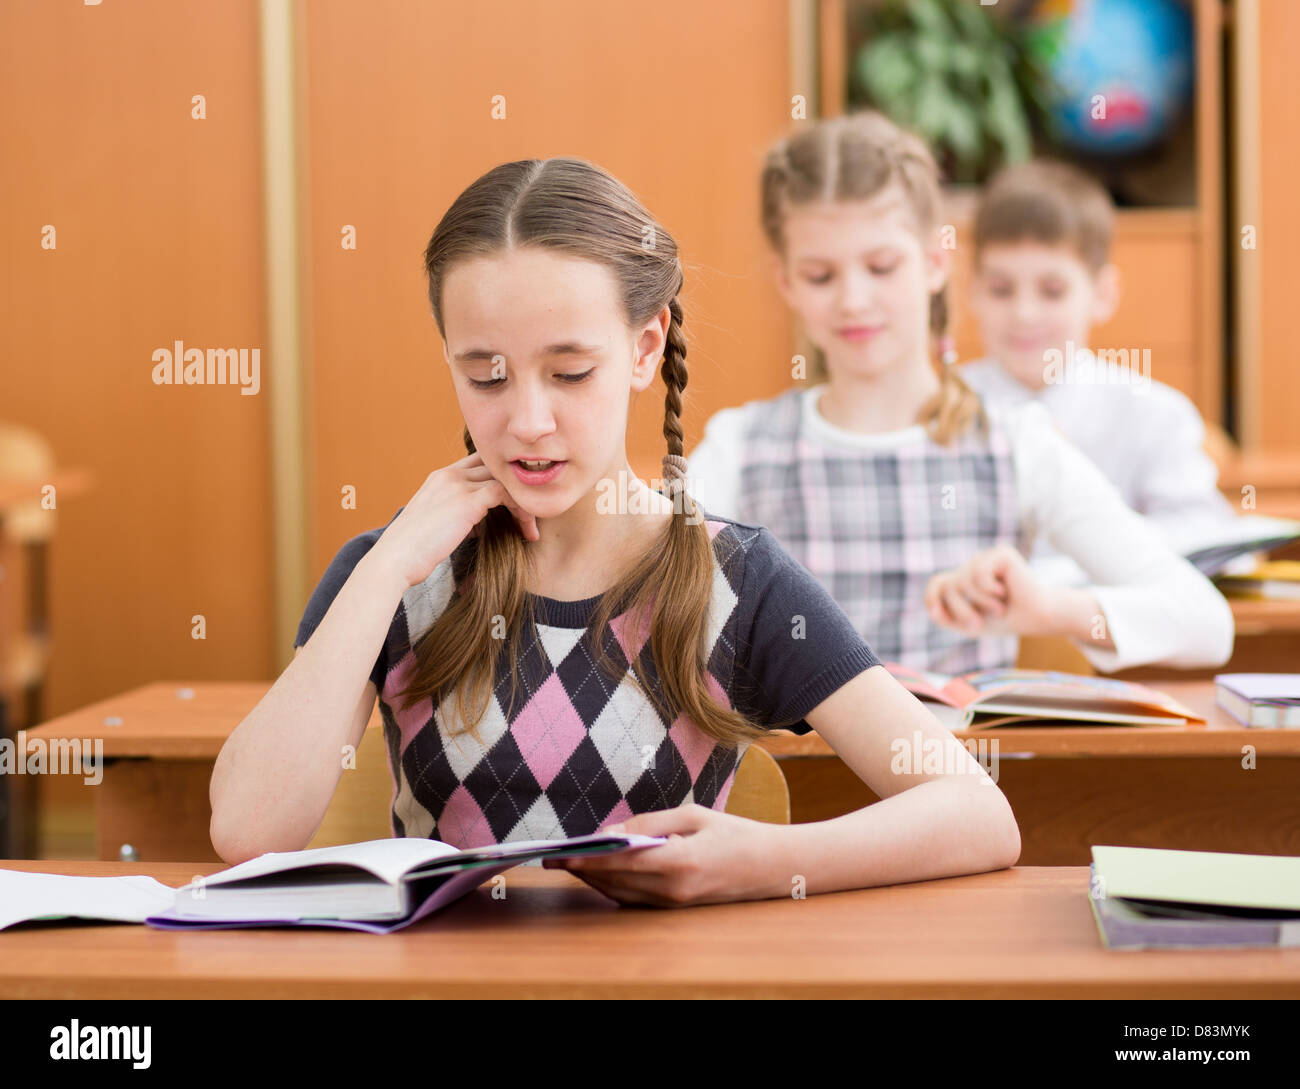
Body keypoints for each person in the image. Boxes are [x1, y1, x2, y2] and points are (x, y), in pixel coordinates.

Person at [208, 156, 1020, 907]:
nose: (528, 420)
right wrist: (384, 568)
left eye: (570, 372)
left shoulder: (738, 579)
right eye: (485, 373)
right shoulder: (393, 572)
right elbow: (248, 830)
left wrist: (763, 860)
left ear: (644, 348)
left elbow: (977, 814)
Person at [686, 110, 1233, 676]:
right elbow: (648, 602)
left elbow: (1204, 622)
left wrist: (1047, 608)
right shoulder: (742, 444)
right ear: (786, 282)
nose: (852, 300)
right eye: (821, 276)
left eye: (881, 266)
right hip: (795, 763)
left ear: (936, 262)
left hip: (956, 764)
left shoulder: (1016, 440)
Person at [961, 158, 1239, 581]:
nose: (1024, 312)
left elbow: (1205, 534)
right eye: (1001, 290)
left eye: (1052, 291)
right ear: (973, 293)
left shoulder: (1154, 413)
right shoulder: (941, 408)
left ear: (1103, 294)